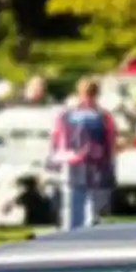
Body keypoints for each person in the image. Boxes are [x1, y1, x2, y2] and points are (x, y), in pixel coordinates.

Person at [50, 78, 117, 231]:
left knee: (78, 203)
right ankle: (83, 232)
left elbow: (56, 139)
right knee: (87, 203)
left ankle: (75, 232)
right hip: (91, 163)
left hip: (78, 163)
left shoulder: (67, 115)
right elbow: (110, 141)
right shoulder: (102, 116)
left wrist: (58, 159)